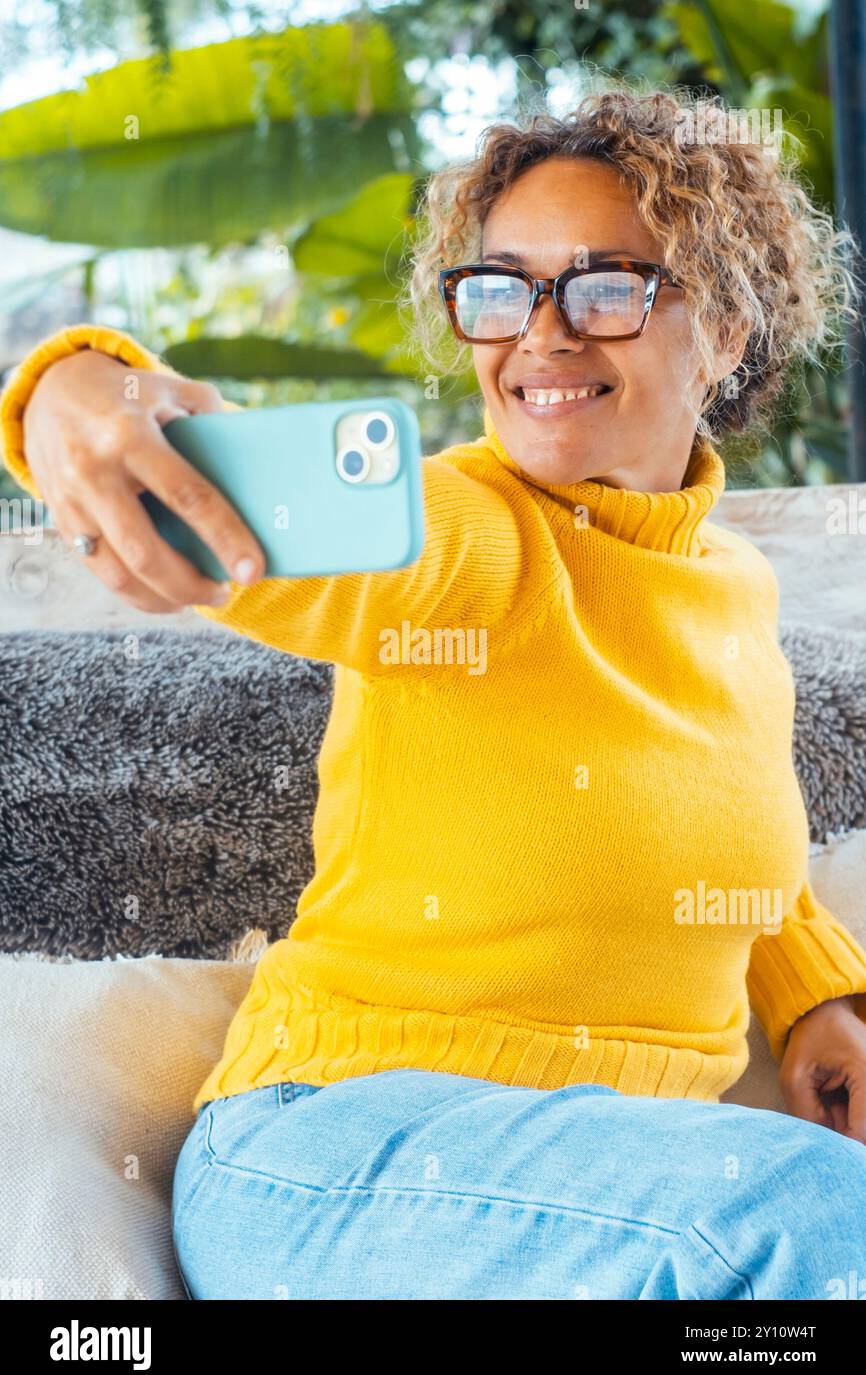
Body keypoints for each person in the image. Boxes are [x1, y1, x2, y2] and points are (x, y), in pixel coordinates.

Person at [4, 87, 866, 1301]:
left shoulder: (733, 589)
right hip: (338, 1156)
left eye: (608, 285)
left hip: (606, 1197)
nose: (543, 335)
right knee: (814, 1213)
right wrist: (77, 393)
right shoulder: (475, 536)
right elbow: (280, 521)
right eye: (504, 288)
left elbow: (728, 826)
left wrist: (815, 994)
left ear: (726, 330)